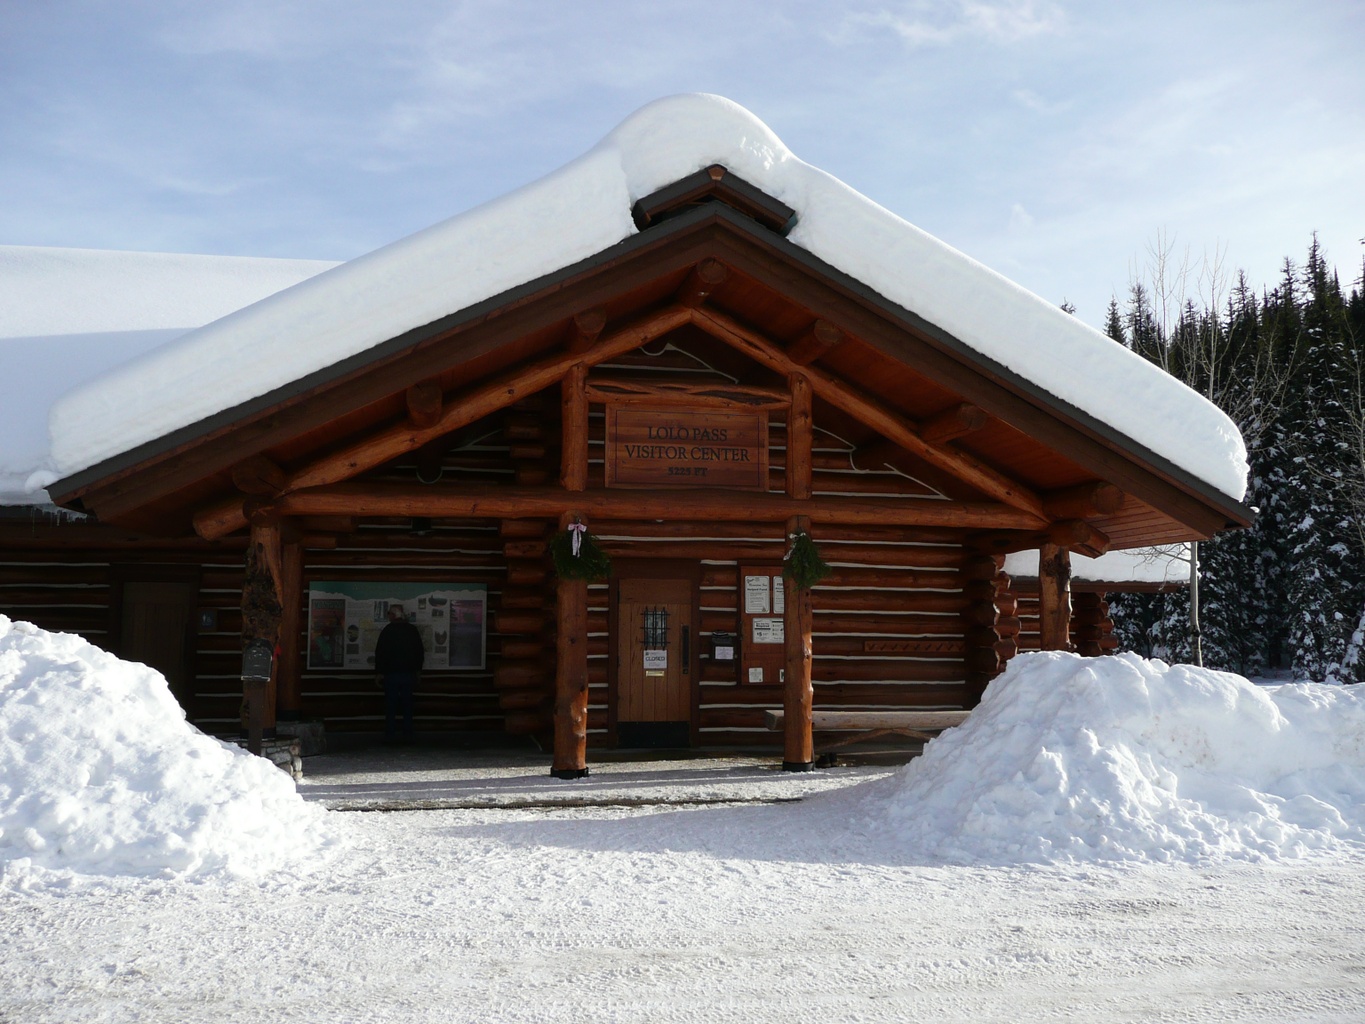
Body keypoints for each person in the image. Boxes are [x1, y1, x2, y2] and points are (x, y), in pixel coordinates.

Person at [374, 604, 424, 744]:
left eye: (389, 613)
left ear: (394, 615)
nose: (388, 616)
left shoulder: (388, 631)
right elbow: (419, 652)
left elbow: (380, 653)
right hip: (408, 674)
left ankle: (390, 732)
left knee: (391, 705)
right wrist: (418, 672)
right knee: (407, 704)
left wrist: (379, 673)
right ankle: (408, 732)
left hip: (391, 675)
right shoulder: (412, 630)